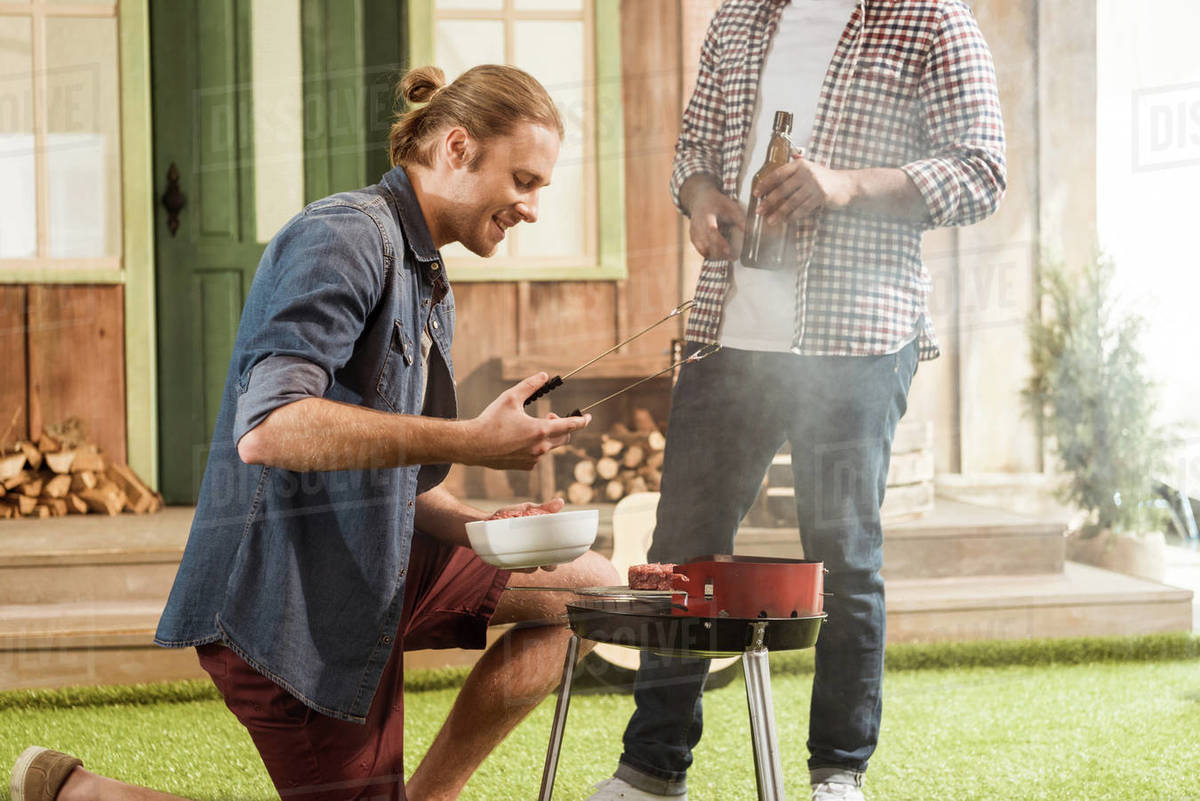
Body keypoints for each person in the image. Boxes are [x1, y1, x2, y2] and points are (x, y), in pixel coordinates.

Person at [11, 64, 618, 801]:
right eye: (523, 180)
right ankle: (80, 792)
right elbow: (269, 428)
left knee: (590, 586)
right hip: (289, 598)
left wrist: (483, 529)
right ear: (457, 147)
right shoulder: (343, 237)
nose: (529, 206)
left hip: (375, 560)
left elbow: (384, 473)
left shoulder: (424, 272)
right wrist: (469, 440)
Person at [586, 1, 1006, 800]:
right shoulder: (741, 14)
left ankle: (838, 772)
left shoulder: (930, 17)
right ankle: (651, 769)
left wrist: (844, 185)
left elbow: (982, 170)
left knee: (844, 559)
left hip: (856, 339)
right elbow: (696, 150)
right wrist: (701, 198)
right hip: (732, 332)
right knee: (681, 555)